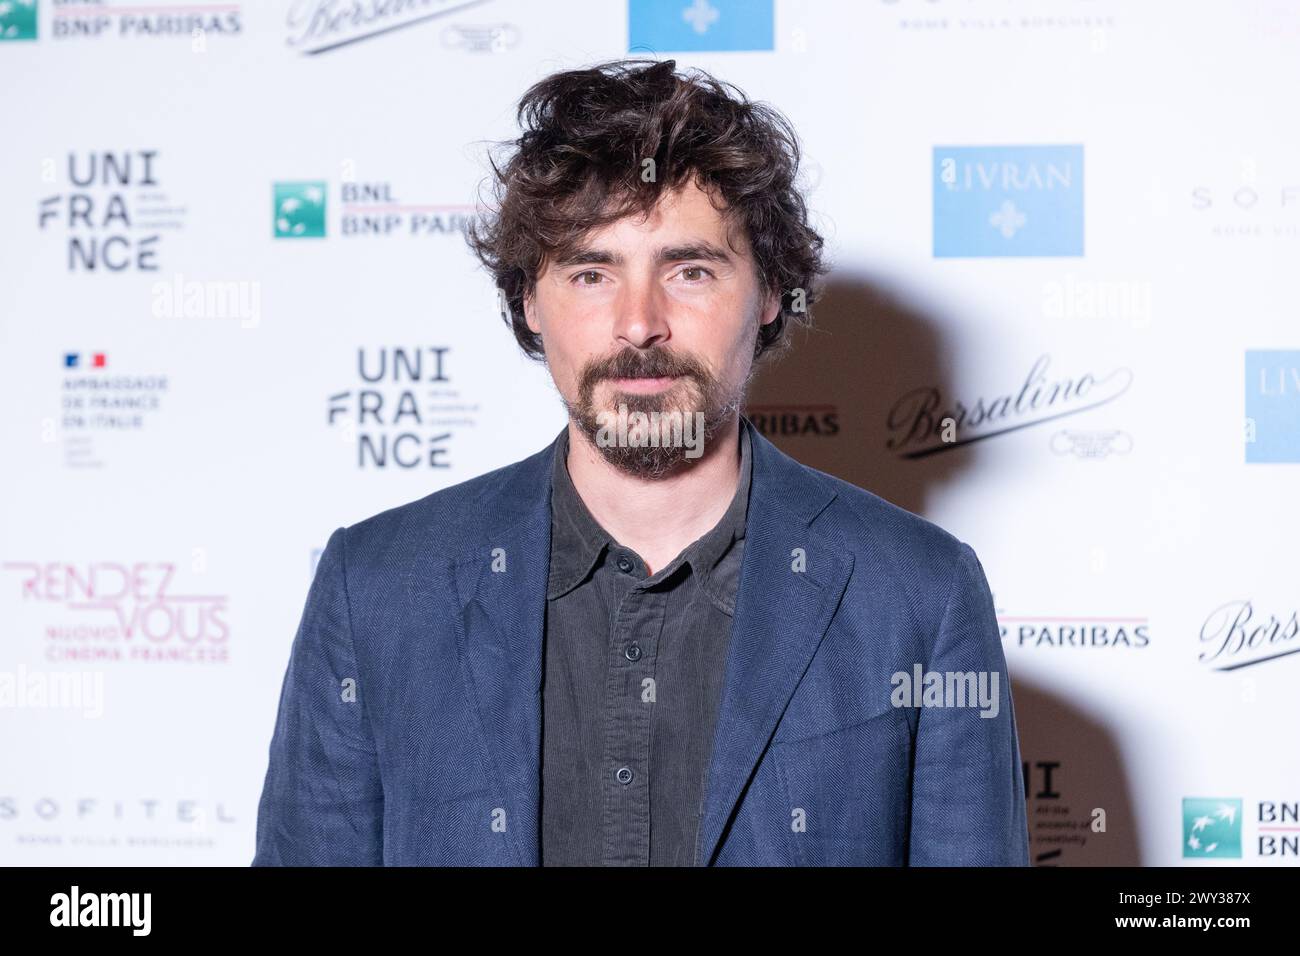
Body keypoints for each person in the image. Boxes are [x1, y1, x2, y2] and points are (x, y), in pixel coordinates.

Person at [252, 58, 1029, 866]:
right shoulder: (378, 586)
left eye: (690, 270)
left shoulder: (918, 593)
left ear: (768, 293)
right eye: (591, 273)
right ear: (529, 301)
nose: (639, 323)